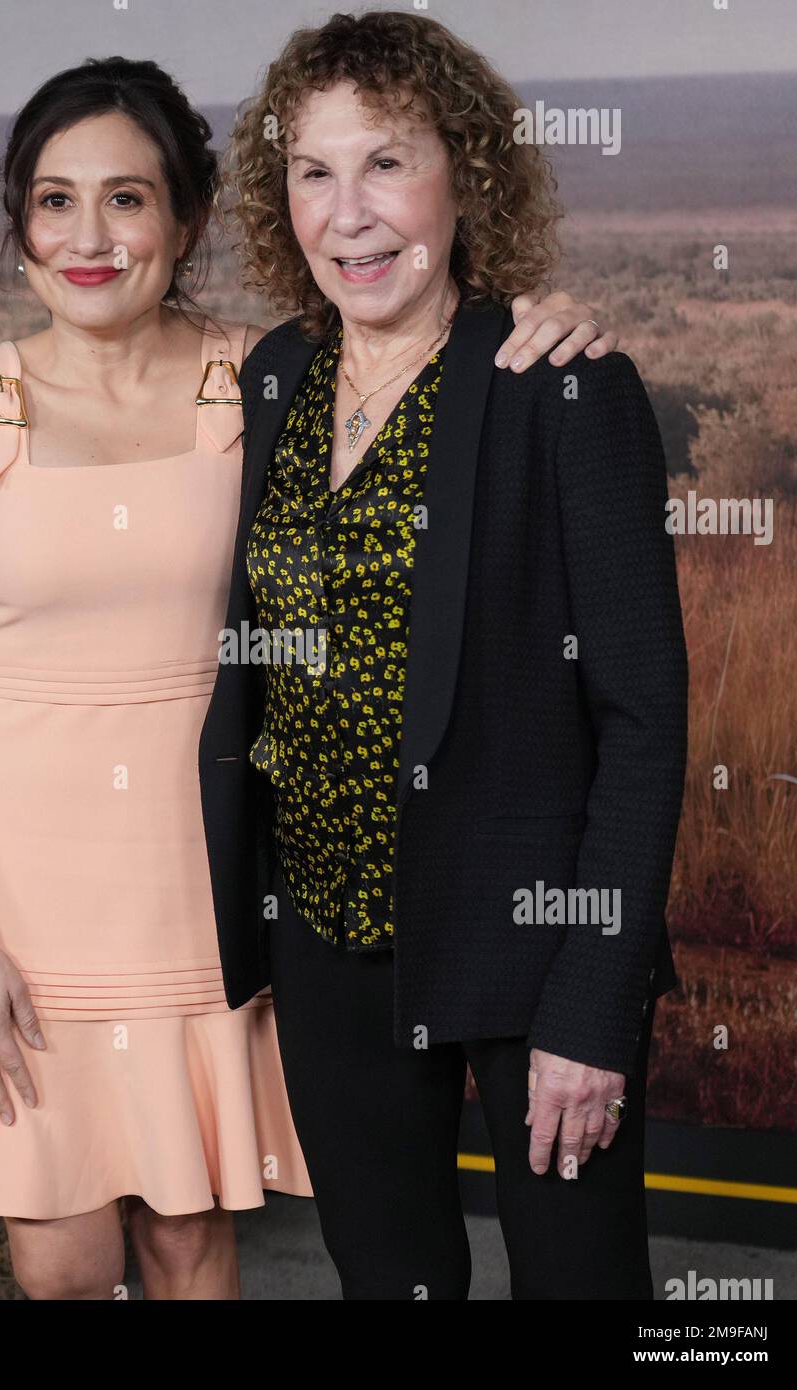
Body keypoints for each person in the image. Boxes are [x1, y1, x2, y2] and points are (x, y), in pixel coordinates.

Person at [0, 53, 621, 1300]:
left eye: (127, 198)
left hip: (206, 888)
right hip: (21, 896)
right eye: (55, 201)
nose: (90, 237)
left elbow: (423, 352)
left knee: (190, 1242)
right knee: (58, 1261)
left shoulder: (257, 380)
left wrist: (548, 318)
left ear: (187, 218)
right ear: (21, 226)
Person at [199, 11, 688, 1300]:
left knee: (583, 1287)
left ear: (463, 174)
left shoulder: (560, 385)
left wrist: (594, 1007)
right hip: (328, 937)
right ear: (278, 195)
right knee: (390, 1281)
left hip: (529, 943)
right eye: (313, 171)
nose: (348, 214)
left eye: (385, 163)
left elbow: (642, 720)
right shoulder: (273, 378)